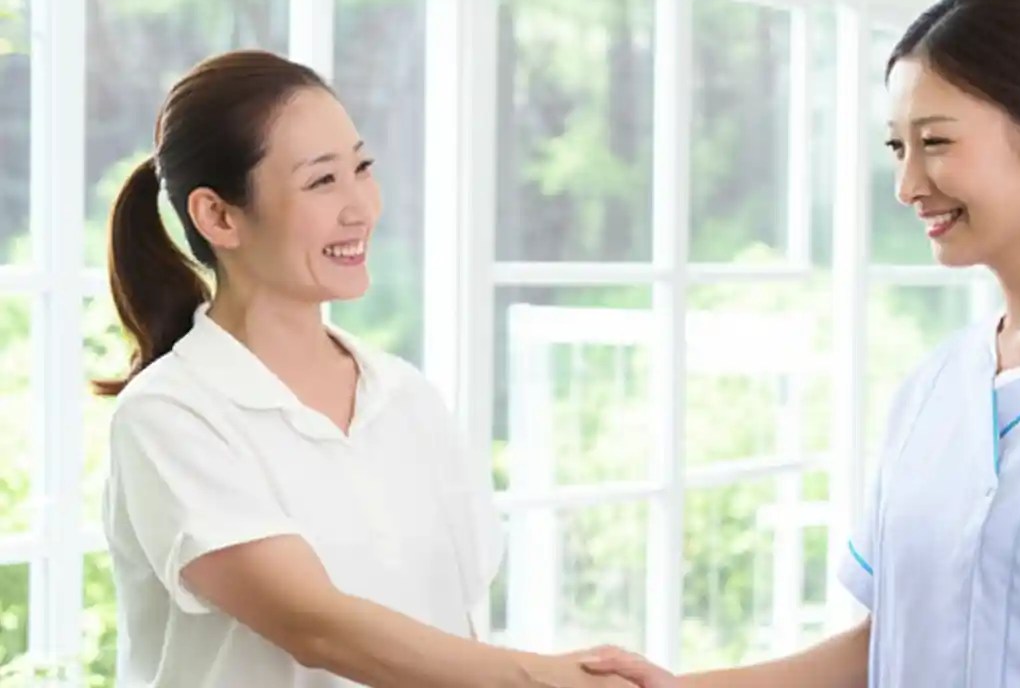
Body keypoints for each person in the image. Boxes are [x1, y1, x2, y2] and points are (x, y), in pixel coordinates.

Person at [577, 0, 1020, 688]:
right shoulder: (934, 386)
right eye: (897, 148)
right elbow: (881, 646)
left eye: (935, 142)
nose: (908, 184)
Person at [97, 49, 635, 688]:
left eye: (362, 168)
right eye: (323, 181)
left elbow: (455, 638)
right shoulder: (170, 414)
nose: (361, 208)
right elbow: (317, 629)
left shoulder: (405, 396)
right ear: (218, 215)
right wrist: (546, 679)